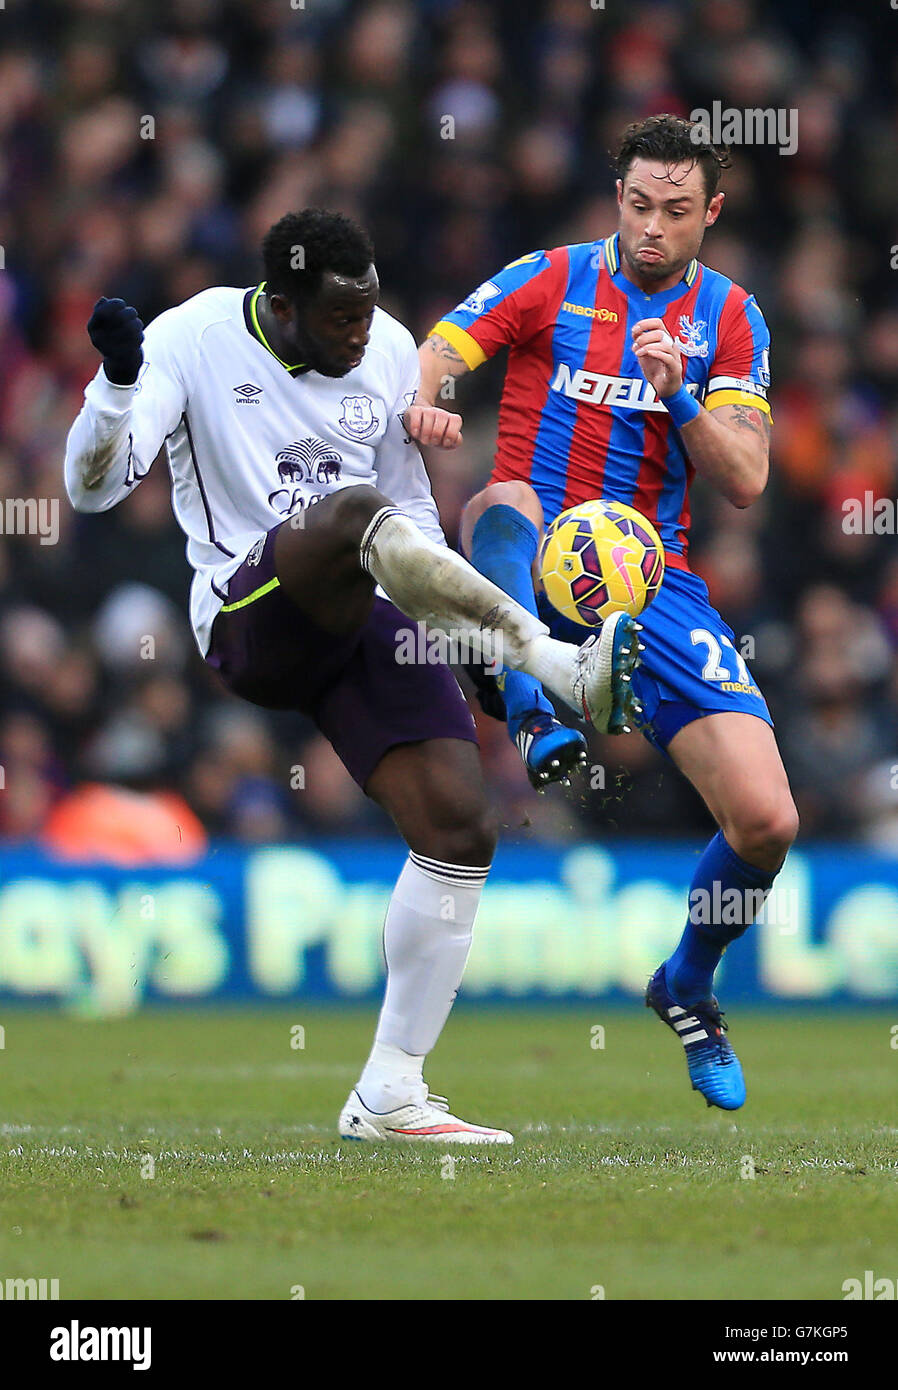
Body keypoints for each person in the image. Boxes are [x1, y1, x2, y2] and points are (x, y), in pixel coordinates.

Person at [64, 208, 640, 1144]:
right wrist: (118, 387)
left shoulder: (385, 350)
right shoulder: (190, 338)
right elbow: (93, 487)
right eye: (341, 320)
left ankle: (389, 1093)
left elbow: (409, 514)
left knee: (460, 821)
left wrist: (462, 645)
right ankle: (560, 667)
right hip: (248, 616)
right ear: (281, 308)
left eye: (370, 314)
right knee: (348, 515)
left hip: (358, 608)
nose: (364, 335)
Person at [406, 116, 799, 1112]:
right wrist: (428, 401)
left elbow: (747, 478)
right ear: (614, 195)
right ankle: (534, 707)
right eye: (637, 206)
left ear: (710, 210)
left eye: (676, 210)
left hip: (650, 580)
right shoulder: (549, 276)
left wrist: (679, 398)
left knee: (765, 819)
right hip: (533, 557)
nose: (652, 228)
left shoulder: (733, 319)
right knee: (497, 502)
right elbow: (438, 349)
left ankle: (686, 983)